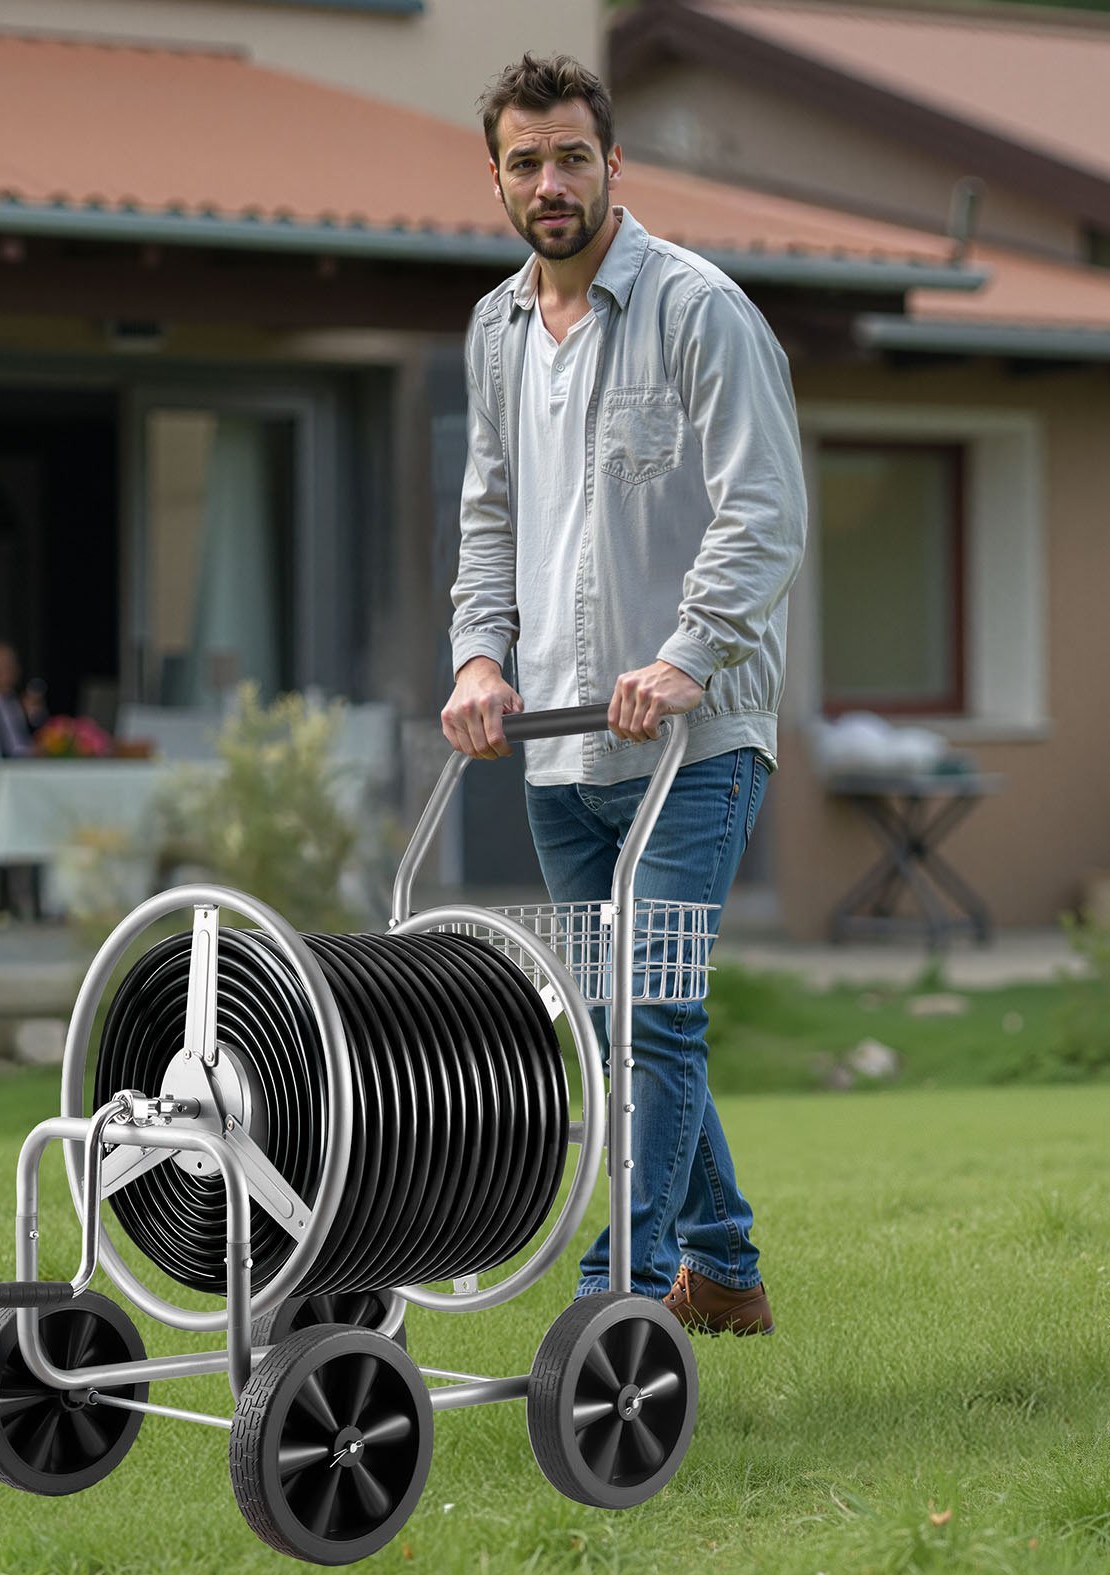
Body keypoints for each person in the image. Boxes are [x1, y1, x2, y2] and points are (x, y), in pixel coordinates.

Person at [440, 53, 807, 1335]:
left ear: (613, 166)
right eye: (525, 161)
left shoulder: (699, 312)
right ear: (494, 175)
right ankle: (728, 1269)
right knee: (617, 1016)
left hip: (692, 736)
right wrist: (478, 659)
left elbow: (762, 515)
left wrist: (688, 653)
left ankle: (623, 1292)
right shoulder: (493, 331)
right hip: (555, 738)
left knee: (655, 1003)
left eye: (572, 158)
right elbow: (489, 518)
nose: (551, 182)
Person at [0, 641, 45, 759]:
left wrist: (33, 716)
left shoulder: (22, 701)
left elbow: (42, 736)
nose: (7, 670)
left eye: (10, 664)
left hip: (32, 764)